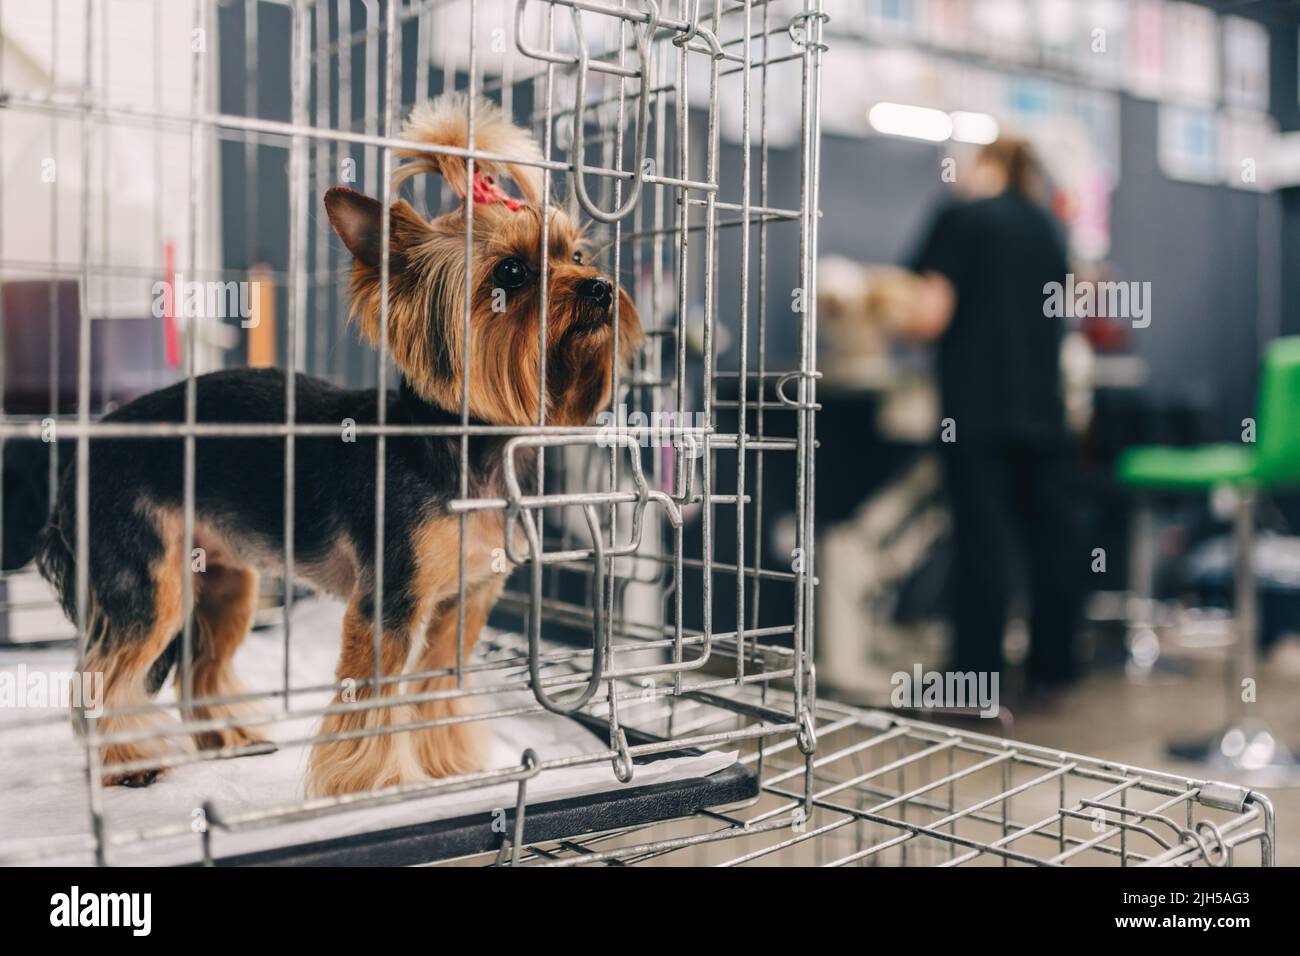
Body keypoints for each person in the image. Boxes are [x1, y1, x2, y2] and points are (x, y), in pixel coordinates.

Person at [900, 136, 1083, 699]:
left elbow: (929, 316)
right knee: (1050, 543)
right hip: (1044, 409)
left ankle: (974, 682)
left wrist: (888, 315)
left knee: (982, 543)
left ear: (987, 163)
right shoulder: (1049, 227)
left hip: (976, 410)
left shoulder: (961, 218)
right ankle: (1055, 669)